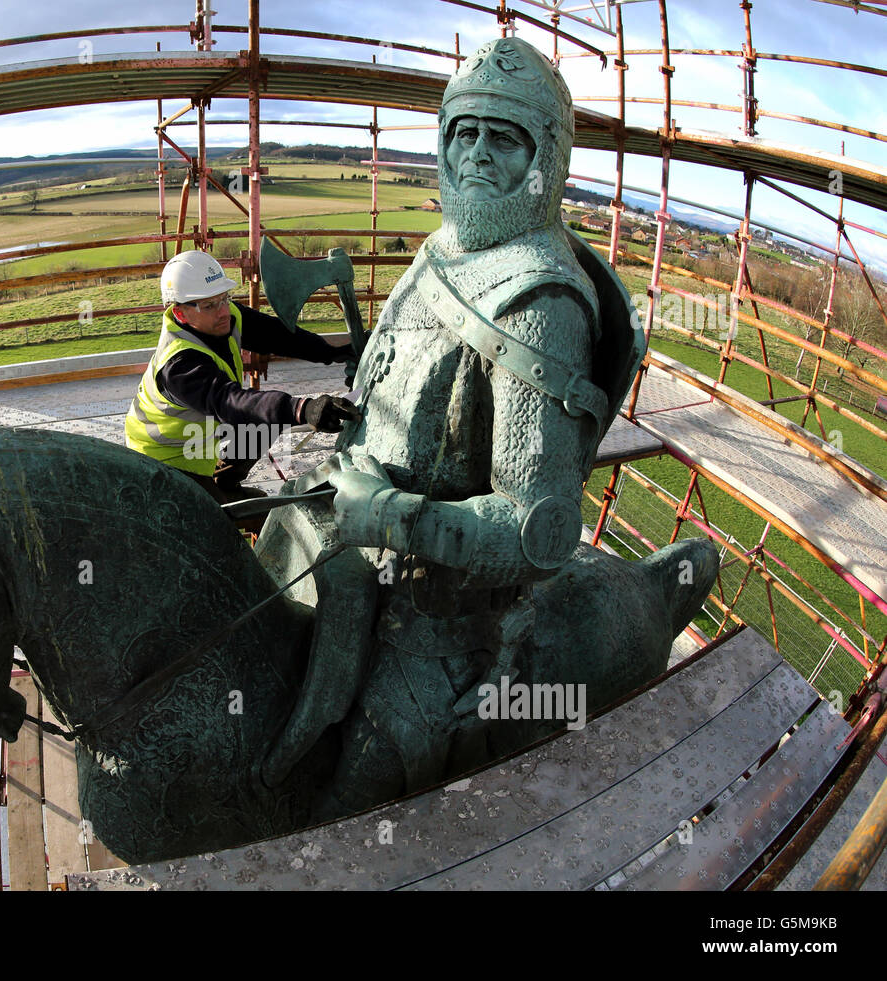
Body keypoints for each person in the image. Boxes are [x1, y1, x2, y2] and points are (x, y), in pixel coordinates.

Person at [261, 37, 644, 813]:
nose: (474, 153)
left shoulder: (540, 304)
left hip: (436, 614)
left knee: (357, 787)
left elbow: (539, 532)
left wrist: (397, 517)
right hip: (335, 527)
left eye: (503, 137)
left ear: (546, 161)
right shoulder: (443, 245)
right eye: (462, 132)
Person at [125, 250, 360, 507]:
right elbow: (231, 402)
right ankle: (220, 502)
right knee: (218, 526)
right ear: (180, 314)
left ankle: (225, 484)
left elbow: (278, 336)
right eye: (210, 305)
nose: (223, 311)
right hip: (165, 458)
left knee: (265, 420)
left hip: (197, 437)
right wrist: (302, 408)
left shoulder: (225, 317)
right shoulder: (179, 365)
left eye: (225, 298)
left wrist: (333, 351)